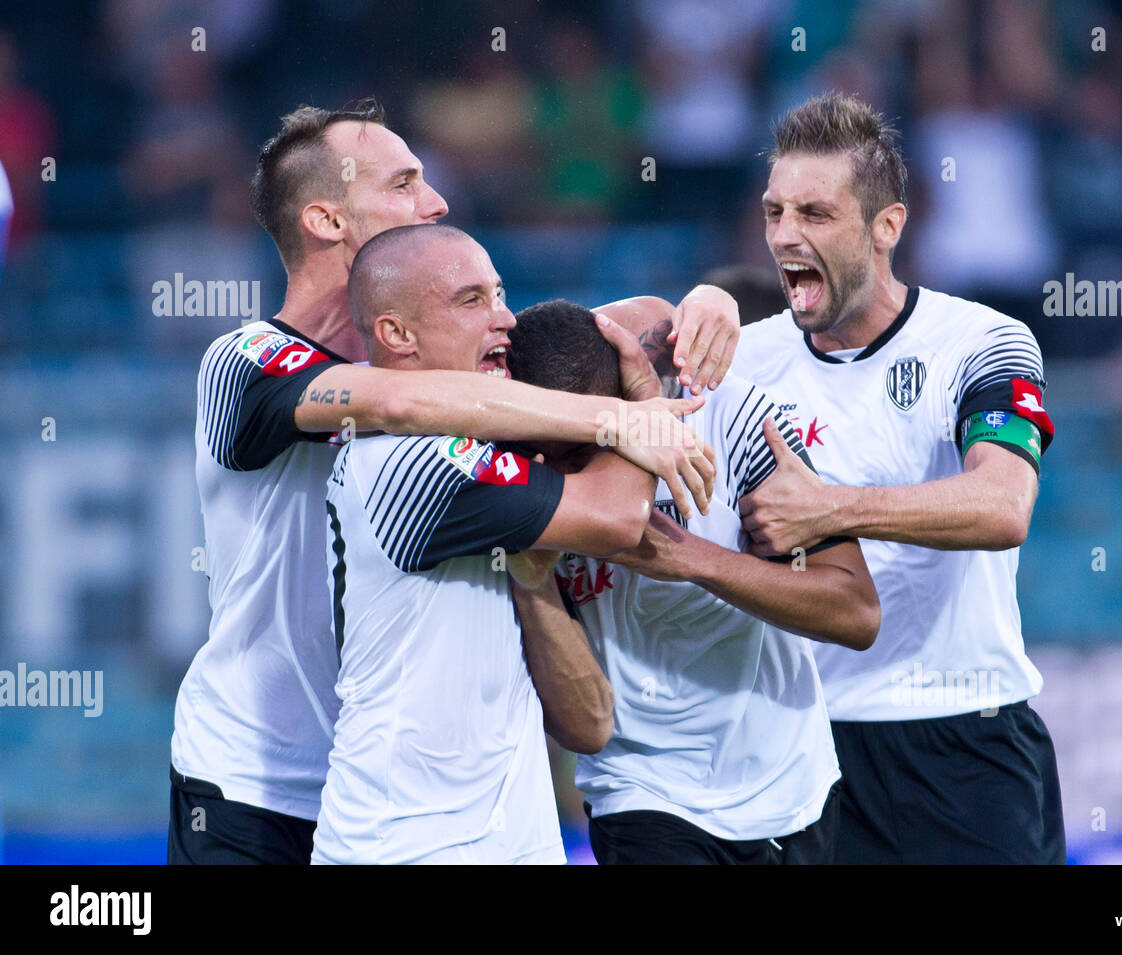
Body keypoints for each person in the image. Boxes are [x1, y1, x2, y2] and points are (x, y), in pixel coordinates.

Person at [169, 100, 731, 865]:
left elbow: (624, 328)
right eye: (403, 183)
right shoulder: (246, 362)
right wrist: (615, 419)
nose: (434, 201)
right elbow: (396, 400)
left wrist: (707, 301)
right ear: (327, 219)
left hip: (385, 789)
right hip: (253, 787)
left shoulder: (459, 366)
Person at [732, 92, 1065, 863]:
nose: (785, 235)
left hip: (965, 741)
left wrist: (829, 510)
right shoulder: (746, 362)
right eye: (774, 211)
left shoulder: (982, 341)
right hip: (804, 752)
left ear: (887, 227)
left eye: (815, 214)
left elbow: (1003, 503)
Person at [313, 224, 656, 864]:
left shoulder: (497, 462)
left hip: (520, 846)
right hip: (405, 848)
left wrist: (707, 305)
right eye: (471, 301)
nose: (505, 319)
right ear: (396, 335)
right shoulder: (407, 463)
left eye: (499, 293)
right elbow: (618, 519)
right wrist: (643, 400)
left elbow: (589, 725)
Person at [505, 296, 881, 865]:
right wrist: (532, 582)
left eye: (578, 452)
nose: (557, 478)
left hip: (790, 789)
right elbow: (583, 728)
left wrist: (690, 560)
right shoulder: (508, 476)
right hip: (640, 794)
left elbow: (855, 612)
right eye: (540, 453)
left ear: (625, 406)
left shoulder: (726, 412)